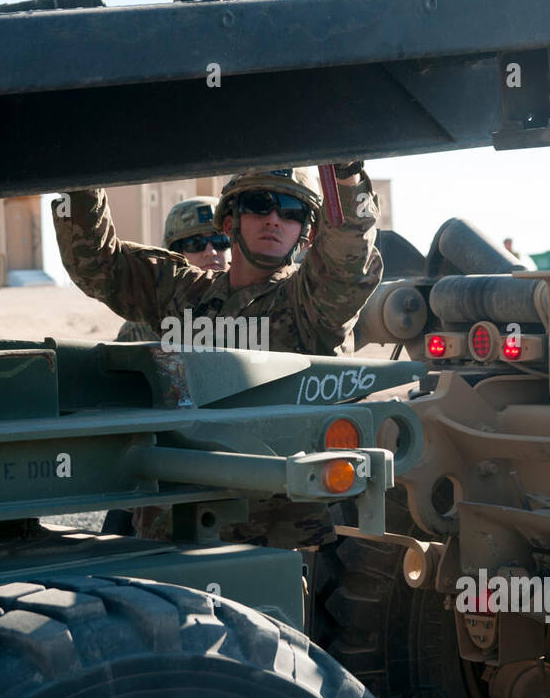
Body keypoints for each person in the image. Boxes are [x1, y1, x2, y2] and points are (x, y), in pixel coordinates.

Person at [56, 162, 382, 548]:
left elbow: (347, 260)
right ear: (229, 223)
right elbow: (95, 263)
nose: (274, 219)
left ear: (307, 235)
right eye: (260, 205)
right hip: (172, 529)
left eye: (291, 213)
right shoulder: (180, 294)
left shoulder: (309, 306)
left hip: (273, 544)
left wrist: (346, 178)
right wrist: (76, 179)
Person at [116, 196, 228, 342]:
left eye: (220, 241)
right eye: (195, 243)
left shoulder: (258, 305)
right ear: (177, 254)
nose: (211, 252)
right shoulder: (145, 328)